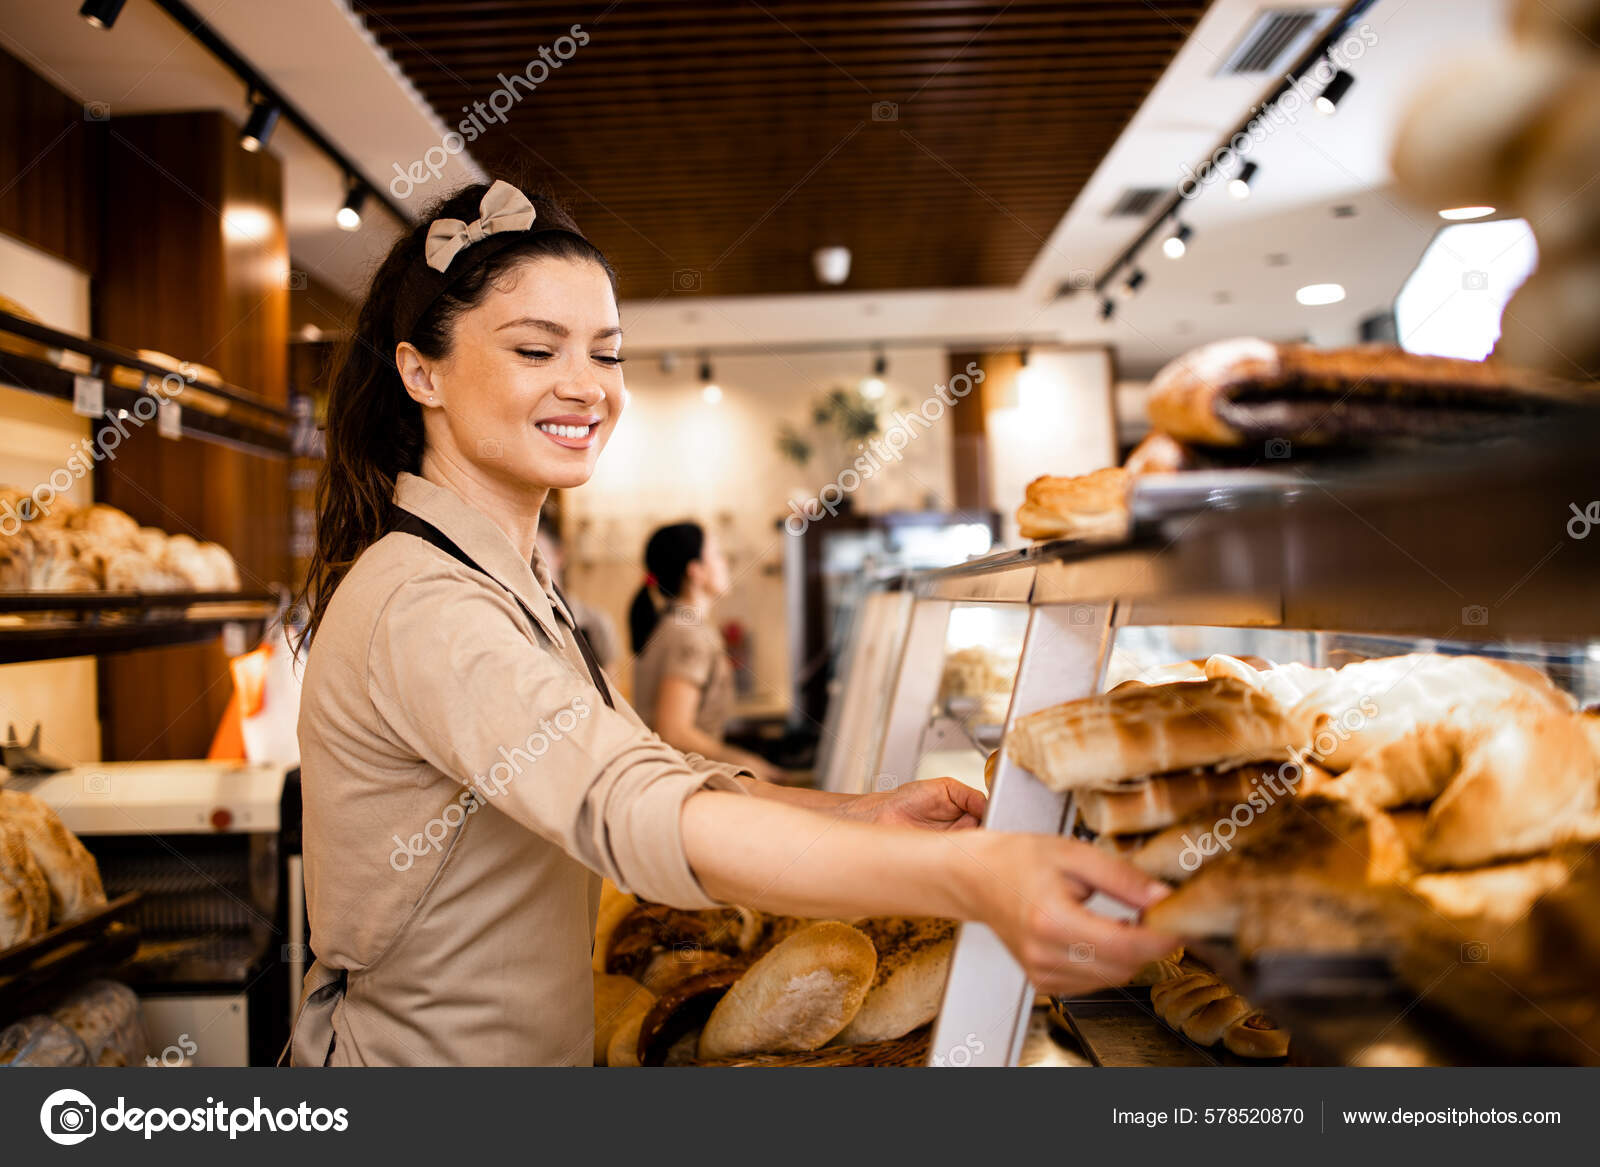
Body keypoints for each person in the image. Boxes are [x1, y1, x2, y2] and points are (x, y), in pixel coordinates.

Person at [289, 178, 1176, 1066]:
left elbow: (658, 766)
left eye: (607, 353)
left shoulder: (507, 581)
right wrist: (964, 876)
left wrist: (862, 816)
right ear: (421, 372)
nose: (586, 386)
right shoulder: (423, 600)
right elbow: (629, 810)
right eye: (535, 349)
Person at [629, 521, 779, 780]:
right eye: (717, 555)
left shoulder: (671, 624)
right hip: (681, 779)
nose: (725, 563)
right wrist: (744, 762)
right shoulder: (689, 635)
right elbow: (673, 730)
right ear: (695, 571)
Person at [534, 521, 620, 670]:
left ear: (559, 555)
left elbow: (609, 686)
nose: (531, 565)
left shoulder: (595, 623)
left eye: (538, 555)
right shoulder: (513, 621)